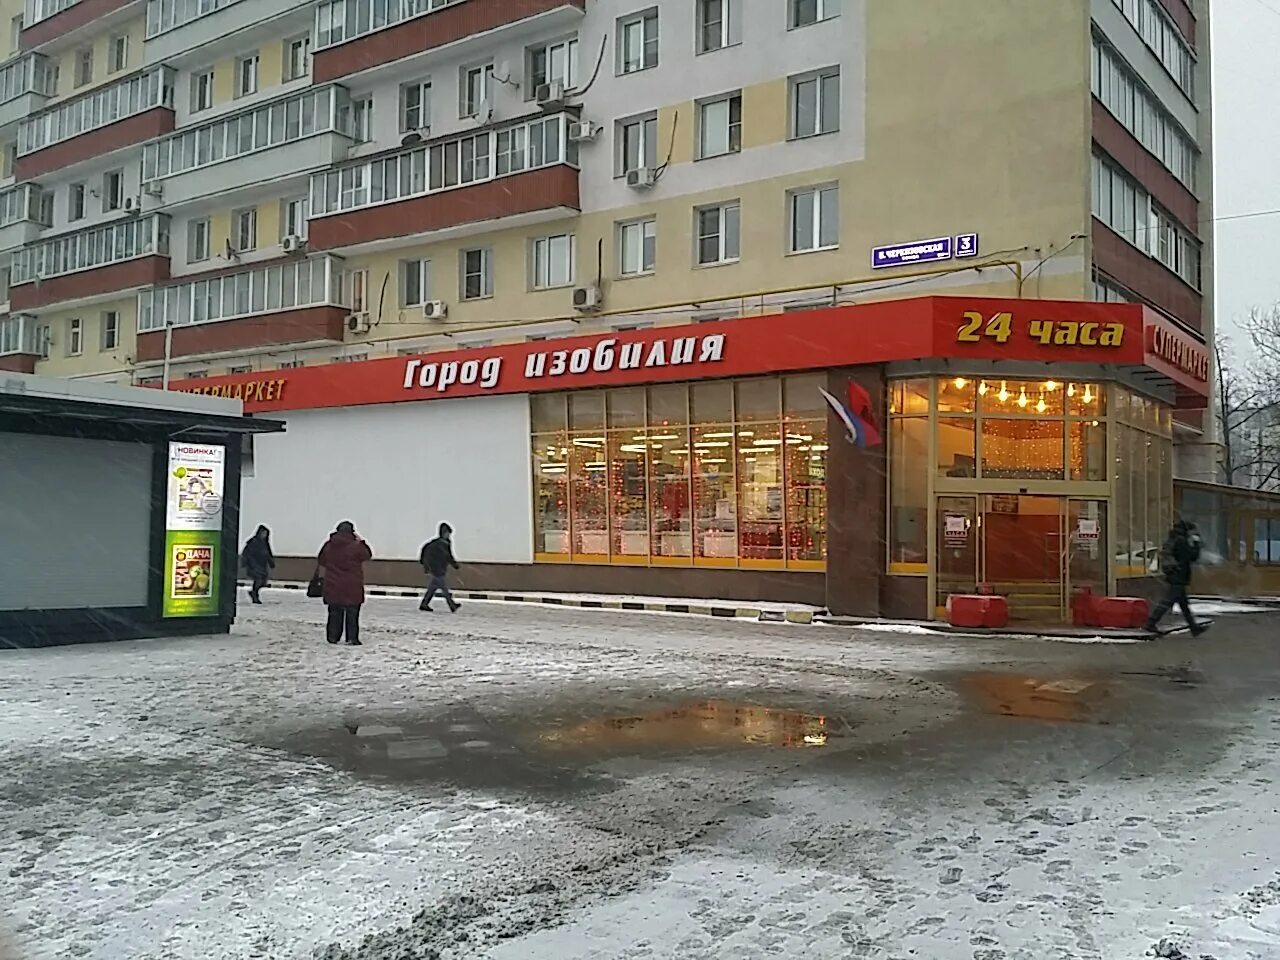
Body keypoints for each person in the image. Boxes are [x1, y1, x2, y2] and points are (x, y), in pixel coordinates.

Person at [1144, 519, 1208, 636]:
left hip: (1175, 574)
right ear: (1187, 530)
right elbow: (1191, 556)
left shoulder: (1174, 538)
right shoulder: (1181, 541)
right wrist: (1196, 545)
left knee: (1183, 604)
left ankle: (1194, 627)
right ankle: (1150, 623)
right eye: (1192, 531)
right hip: (1178, 575)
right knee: (1168, 601)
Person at [317, 521, 373, 645]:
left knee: (334, 611)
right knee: (352, 612)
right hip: (352, 585)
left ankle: (333, 637)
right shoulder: (357, 546)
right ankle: (351, 637)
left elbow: (321, 560)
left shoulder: (329, 545)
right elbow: (367, 555)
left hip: (333, 583)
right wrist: (361, 541)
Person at [419, 522, 461, 613]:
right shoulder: (439, 544)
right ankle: (452, 605)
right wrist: (454, 565)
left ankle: (424, 604)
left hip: (440, 568)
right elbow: (447, 556)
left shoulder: (445, 543)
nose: (449, 535)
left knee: (432, 588)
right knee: (444, 588)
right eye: (448, 533)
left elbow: (448, 555)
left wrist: (454, 564)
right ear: (443, 533)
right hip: (436, 569)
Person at [241, 525, 275, 604]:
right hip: (254, 565)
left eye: (266, 534)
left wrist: (271, 562)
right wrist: (245, 562)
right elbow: (246, 553)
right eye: (263, 533)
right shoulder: (253, 542)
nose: (264, 535)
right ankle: (255, 595)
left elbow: (268, 553)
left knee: (263, 581)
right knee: (258, 580)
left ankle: (253, 592)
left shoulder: (265, 543)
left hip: (262, 565)